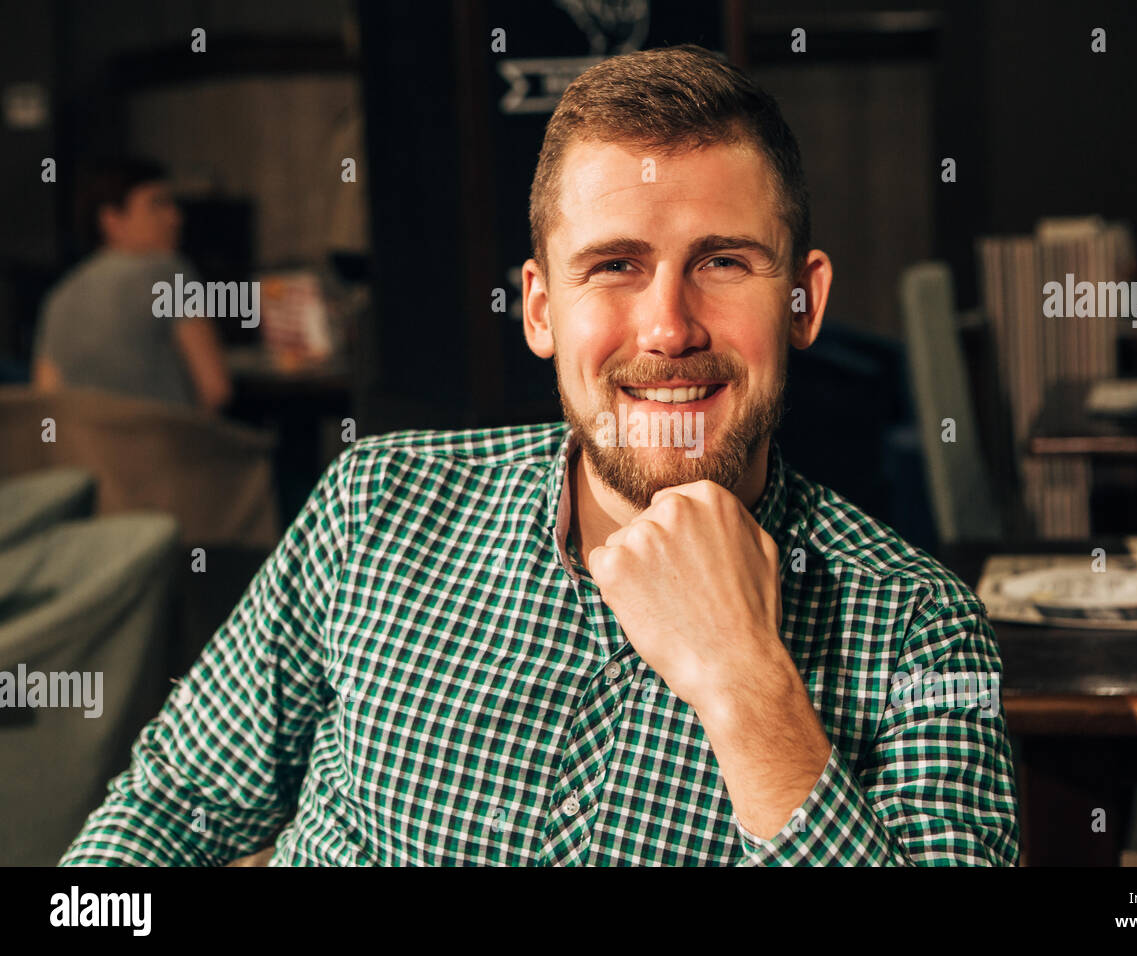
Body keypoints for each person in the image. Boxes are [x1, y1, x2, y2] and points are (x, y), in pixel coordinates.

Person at [60, 45, 1019, 866]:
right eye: (615, 266)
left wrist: (746, 685)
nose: (669, 326)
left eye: (723, 262)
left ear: (803, 302)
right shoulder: (374, 506)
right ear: (541, 308)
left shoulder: (918, 628)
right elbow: (170, 807)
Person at [31, 157, 232, 412]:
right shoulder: (168, 272)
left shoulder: (60, 297)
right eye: (157, 205)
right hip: (163, 445)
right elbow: (216, 387)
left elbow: (47, 397)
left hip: (86, 449)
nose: (175, 217)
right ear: (111, 220)